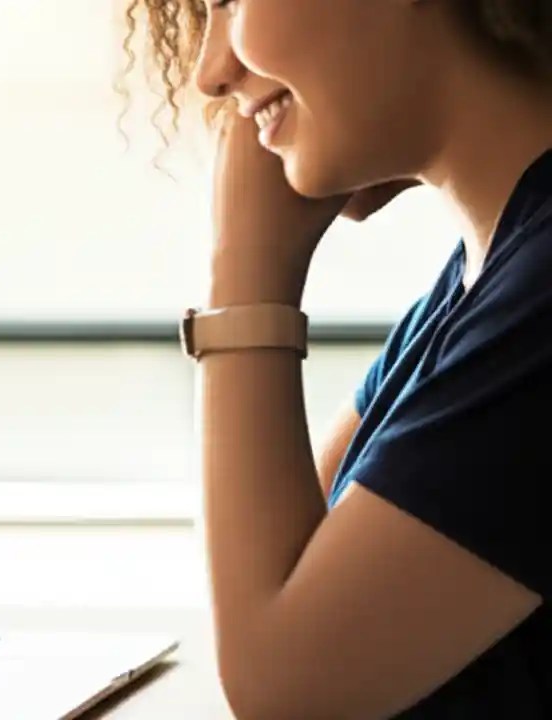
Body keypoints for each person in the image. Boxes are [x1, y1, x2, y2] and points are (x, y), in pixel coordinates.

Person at [122, 0, 552, 716]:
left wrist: (247, 270)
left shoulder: (538, 303)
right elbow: (287, 569)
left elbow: (286, 687)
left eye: (230, 3)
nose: (210, 72)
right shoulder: (480, 288)